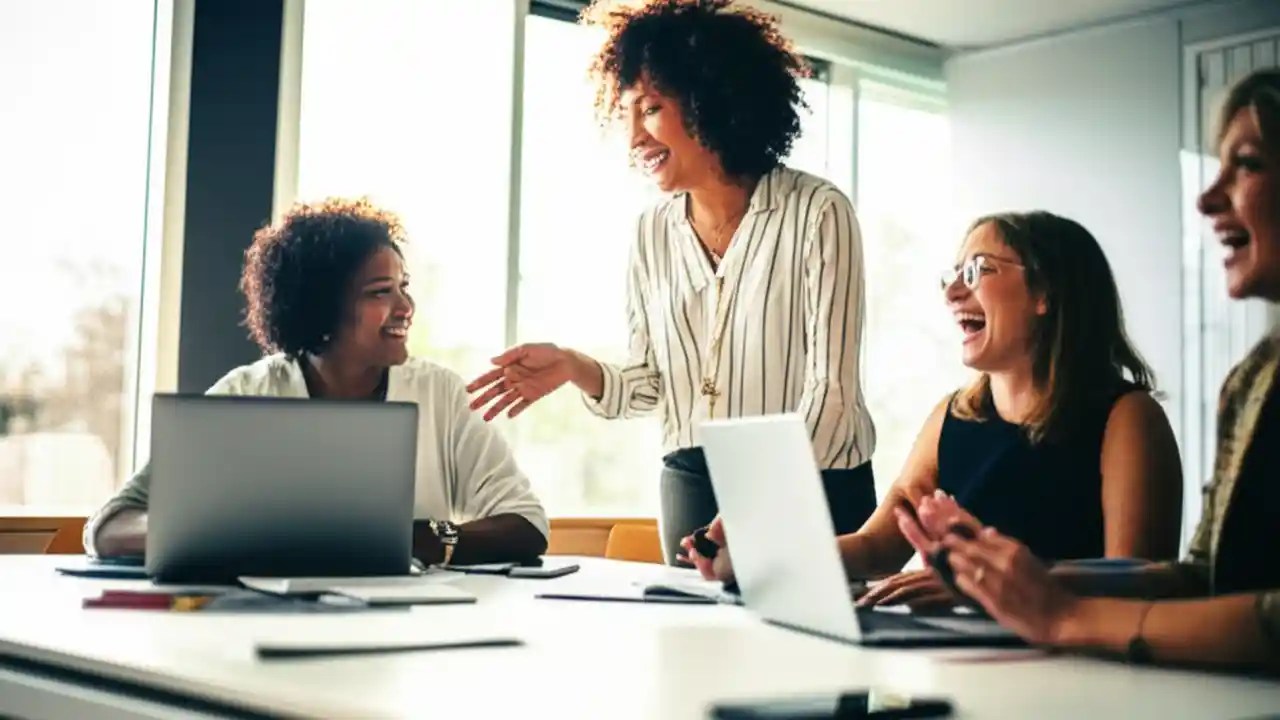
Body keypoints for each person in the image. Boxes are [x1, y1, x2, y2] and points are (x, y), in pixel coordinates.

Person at [892, 69, 1280, 673]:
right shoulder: (1252, 378)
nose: (1206, 198)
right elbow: (1204, 575)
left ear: (1046, 295)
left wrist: (1061, 613)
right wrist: (1007, 576)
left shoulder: (1126, 416)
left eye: (1248, 164)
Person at [466, 0, 877, 564]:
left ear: (714, 100)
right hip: (692, 481)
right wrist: (574, 367)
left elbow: (831, 393)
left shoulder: (818, 212)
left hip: (815, 481)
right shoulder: (651, 232)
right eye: (626, 113)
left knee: (813, 626)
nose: (634, 136)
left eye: (652, 108)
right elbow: (651, 385)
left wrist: (758, 503)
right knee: (696, 624)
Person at [687, 211, 1184, 607]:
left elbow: (1137, 578)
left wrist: (980, 583)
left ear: (1046, 294)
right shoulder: (953, 415)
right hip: (961, 663)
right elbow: (878, 548)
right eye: (953, 274)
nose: (952, 291)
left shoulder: (1128, 418)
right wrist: (765, 558)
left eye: (978, 271)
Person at [85, 197, 549, 566]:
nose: (406, 307)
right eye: (381, 292)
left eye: (404, 287)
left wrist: (423, 538)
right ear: (320, 307)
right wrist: (222, 535)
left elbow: (526, 524)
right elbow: (109, 526)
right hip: (266, 620)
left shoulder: (440, 395)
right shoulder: (247, 394)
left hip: (406, 622)